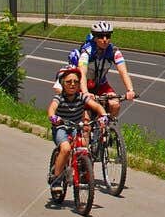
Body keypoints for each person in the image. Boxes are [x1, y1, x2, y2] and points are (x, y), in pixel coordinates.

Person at [48, 65, 105, 203]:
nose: (72, 84)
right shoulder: (59, 98)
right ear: (62, 84)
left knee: (84, 147)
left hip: (75, 127)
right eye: (68, 82)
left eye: (75, 82)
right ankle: (56, 180)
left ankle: (84, 173)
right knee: (66, 148)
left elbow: (96, 106)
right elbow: (51, 110)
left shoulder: (81, 97)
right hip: (61, 128)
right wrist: (54, 118)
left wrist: (103, 115)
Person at [70, 20, 135, 117]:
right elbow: (82, 73)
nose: (105, 39)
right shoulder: (87, 51)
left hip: (101, 84)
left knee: (115, 104)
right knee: (86, 121)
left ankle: (107, 129)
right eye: (101, 36)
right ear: (95, 38)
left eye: (108, 36)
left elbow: (123, 71)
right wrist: (85, 92)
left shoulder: (113, 51)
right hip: (84, 85)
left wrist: (130, 90)